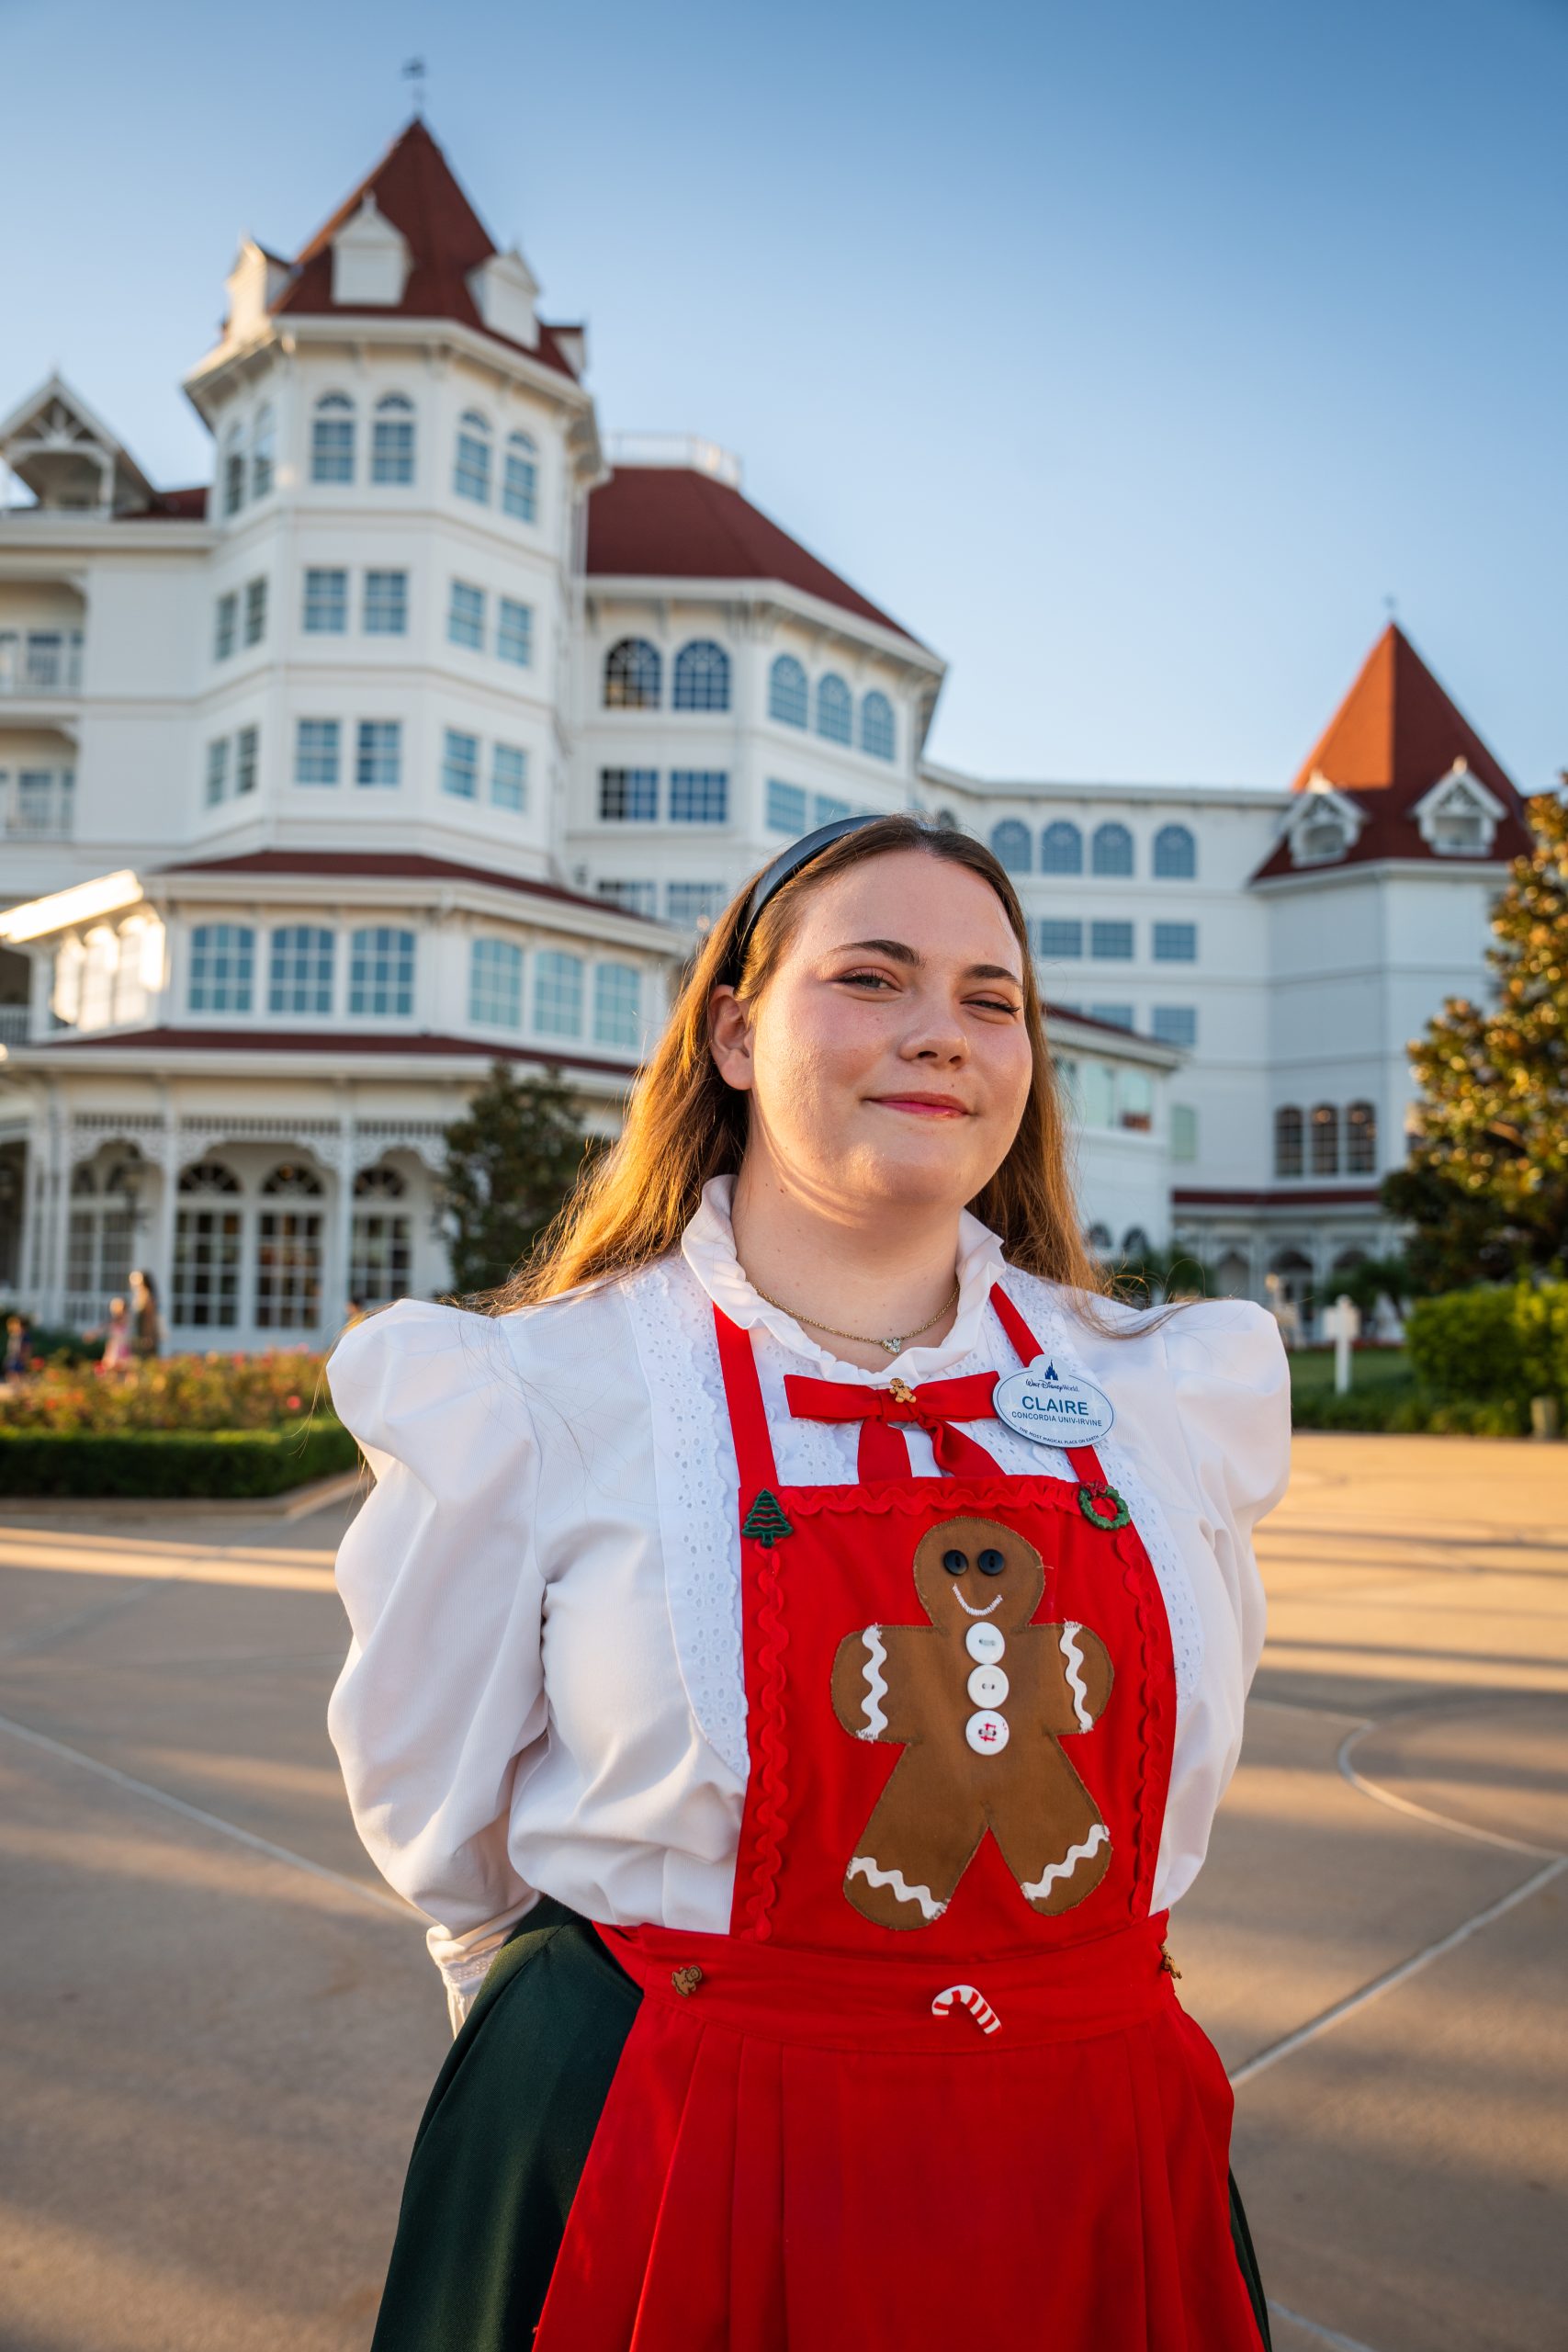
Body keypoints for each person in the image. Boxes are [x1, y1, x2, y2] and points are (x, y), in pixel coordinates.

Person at [328, 813, 1289, 2352]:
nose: (939, 1035)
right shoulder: (542, 1387)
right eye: (872, 977)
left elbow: (1166, 1806)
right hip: (671, 2136)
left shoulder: (1161, 1389)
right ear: (729, 1032)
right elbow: (440, 1817)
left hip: (1088, 2142)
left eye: (991, 1000)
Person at [128, 1268, 163, 1361]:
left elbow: (149, 1319)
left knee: (145, 1360)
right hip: (139, 1334)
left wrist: (149, 1336)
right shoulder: (140, 1297)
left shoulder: (148, 1298)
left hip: (145, 1336)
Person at [98, 1296, 133, 1371]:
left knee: (123, 1367)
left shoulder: (125, 1318)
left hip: (122, 1348)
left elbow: (108, 1325)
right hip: (114, 1347)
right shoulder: (115, 1320)